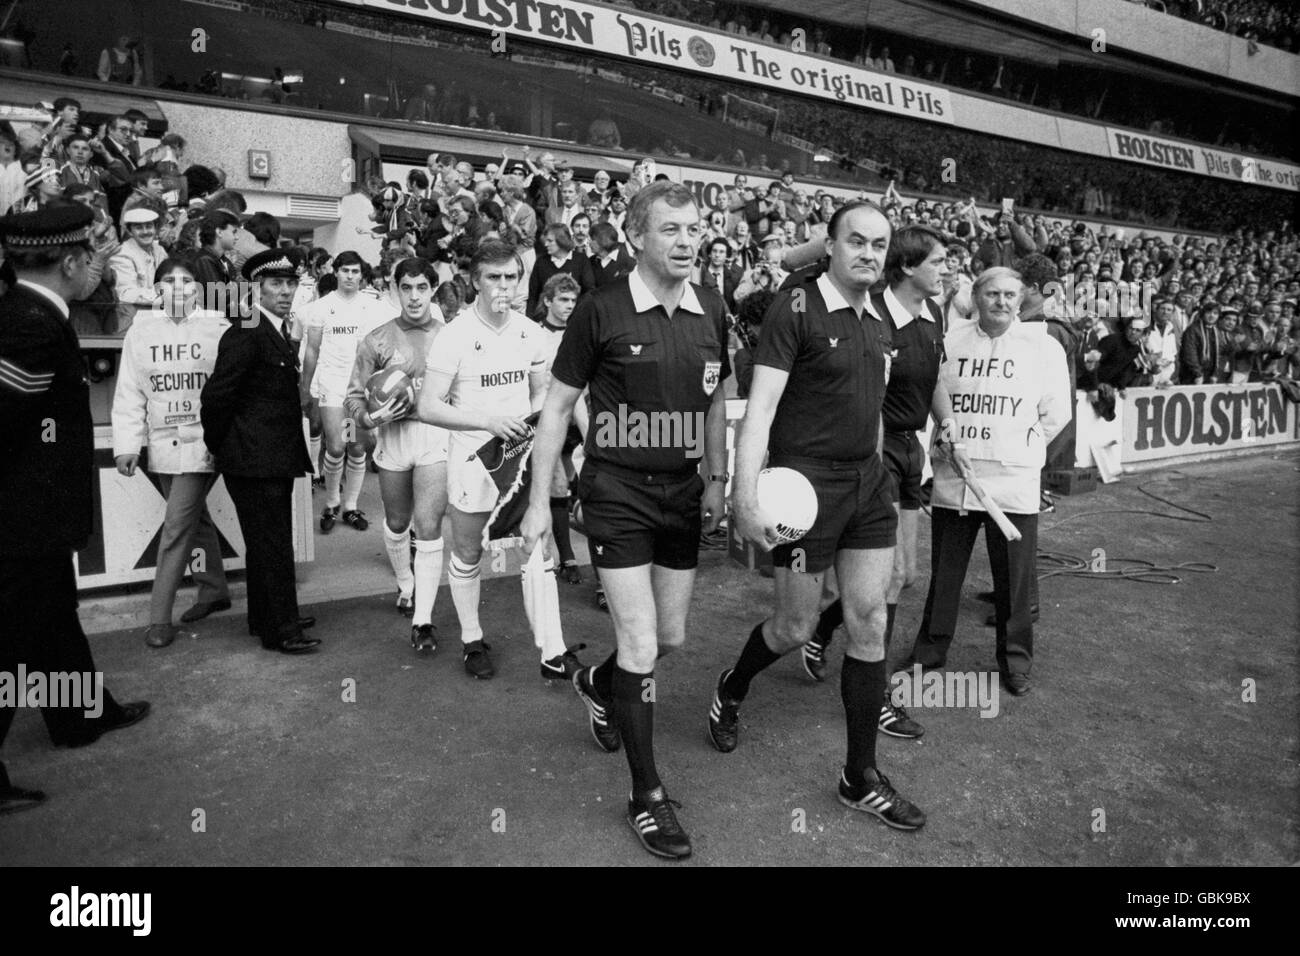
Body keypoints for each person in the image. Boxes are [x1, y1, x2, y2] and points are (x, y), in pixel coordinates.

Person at [521, 181, 729, 860]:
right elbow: (555, 411)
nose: (687, 240)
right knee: (640, 647)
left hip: (682, 490)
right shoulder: (601, 309)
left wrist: (718, 481)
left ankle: (595, 683)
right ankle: (647, 797)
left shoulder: (713, 309)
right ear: (637, 236)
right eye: (671, 229)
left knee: (668, 637)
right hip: (616, 492)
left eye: (694, 228)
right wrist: (533, 507)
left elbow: (714, 403)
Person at [718, 200, 926, 833]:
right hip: (804, 496)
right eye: (855, 241)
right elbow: (759, 409)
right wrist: (743, 493)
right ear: (830, 247)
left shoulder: (881, 321)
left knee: (870, 617)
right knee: (793, 624)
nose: (868, 253)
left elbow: (875, 409)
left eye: (879, 244)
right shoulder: (798, 307)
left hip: (866, 488)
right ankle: (731, 686)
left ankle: (859, 776)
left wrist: (885, 478)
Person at [1, 206, 151, 815]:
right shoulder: (30, 325)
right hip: (17, 520)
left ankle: (80, 715)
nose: (95, 266)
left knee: (55, 615)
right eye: (90, 255)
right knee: (10, 640)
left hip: (32, 518)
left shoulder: (27, 312)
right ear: (69, 261)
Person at [801, 225, 949, 744]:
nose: (946, 270)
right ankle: (877, 692)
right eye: (937, 261)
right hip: (873, 453)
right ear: (907, 267)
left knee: (904, 576)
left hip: (911, 450)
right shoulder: (874, 314)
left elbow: (935, 380)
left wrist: (945, 424)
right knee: (884, 581)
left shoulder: (934, 315)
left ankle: (820, 633)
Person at [896, 267, 1071, 697]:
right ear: (975, 296)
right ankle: (930, 652)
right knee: (946, 575)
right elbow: (933, 400)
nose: (1001, 302)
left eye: (1010, 294)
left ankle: (1015, 660)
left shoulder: (1042, 346)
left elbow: (1056, 414)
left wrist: (1021, 449)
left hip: (1013, 482)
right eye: (991, 293)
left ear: (1022, 297)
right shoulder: (950, 339)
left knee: (1013, 580)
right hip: (956, 480)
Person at [415, 239, 582, 681]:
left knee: (536, 546)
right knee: (469, 551)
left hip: (520, 459)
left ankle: (554, 650)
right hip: (471, 458)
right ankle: (472, 639)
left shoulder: (531, 332)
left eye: (511, 276)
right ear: (475, 281)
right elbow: (428, 406)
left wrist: (534, 421)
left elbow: (542, 390)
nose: (503, 286)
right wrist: (487, 421)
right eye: (493, 277)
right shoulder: (454, 334)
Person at [200, 249, 319, 655]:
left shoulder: (272, 328)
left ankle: (266, 617)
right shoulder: (248, 330)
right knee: (272, 544)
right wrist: (222, 446)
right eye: (276, 284)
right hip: (253, 459)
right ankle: (281, 630)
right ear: (255, 289)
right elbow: (216, 397)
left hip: (268, 456)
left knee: (267, 542)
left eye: (291, 284)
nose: (286, 292)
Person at [112, 259, 232, 646]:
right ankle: (214, 590)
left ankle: (159, 619)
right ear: (156, 287)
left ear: (198, 288)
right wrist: (127, 445)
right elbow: (129, 391)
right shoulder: (140, 330)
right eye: (168, 281)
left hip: (205, 441)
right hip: (163, 442)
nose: (178, 288)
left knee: (176, 526)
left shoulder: (219, 325)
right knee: (196, 519)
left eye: (186, 281)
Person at [345, 257, 450, 647]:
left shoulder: (448, 336)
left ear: (433, 290)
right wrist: (369, 420)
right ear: (394, 290)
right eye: (406, 288)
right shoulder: (376, 340)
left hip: (434, 437)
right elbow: (354, 396)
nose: (414, 296)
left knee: (428, 526)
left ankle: (422, 619)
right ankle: (405, 583)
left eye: (422, 287)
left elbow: (461, 391)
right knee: (396, 520)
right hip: (392, 440)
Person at [300, 251, 393, 534]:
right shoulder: (322, 307)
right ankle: (331, 502)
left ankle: (350, 507)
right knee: (336, 445)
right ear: (336, 273)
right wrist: (305, 387)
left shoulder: (373, 306)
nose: (350, 276)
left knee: (356, 446)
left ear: (361, 275)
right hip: (331, 385)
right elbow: (312, 351)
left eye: (355, 271)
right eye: (345, 271)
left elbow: (384, 349)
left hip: (359, 390)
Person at [108, 207, 168, 330]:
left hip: (157, 318)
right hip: (131, 323)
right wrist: (164, 297)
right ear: (130, 232)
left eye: (149, 226)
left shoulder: (159, 250)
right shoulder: (122, 253)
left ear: (155, 229)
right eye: (139, 227)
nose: (145, 231)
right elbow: (126, 294)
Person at [697, 236, 743, 316]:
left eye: (721, 252)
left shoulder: (733, 277)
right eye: (714, 251)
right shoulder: (699, 271)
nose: (717, 255)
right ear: (710, 254)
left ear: (727, 256)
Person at [1179, 302, 1223, 385]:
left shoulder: (1217, 331)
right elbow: (1189, 353)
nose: (1212, 316)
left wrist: (1215, 374)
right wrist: (1198, 374)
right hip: (1192, 374)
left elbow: (1219, 354)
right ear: (1203, 314)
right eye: (1208, 312)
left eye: (1215, 313)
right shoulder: (1193, 330)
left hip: (1209, 374)